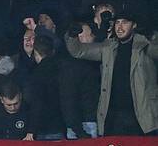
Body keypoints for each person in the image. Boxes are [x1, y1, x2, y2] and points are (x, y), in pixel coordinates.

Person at [66, 8, 158, 136]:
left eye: (125, 22)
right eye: (117, 22)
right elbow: (79, 51)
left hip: (142, 117)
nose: (120, 27)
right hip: (114, 117)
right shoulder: (109, 47)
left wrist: (152, 36)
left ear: (134, 25)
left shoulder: (144, 44)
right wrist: (72, 36)